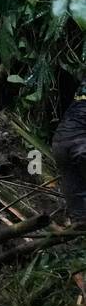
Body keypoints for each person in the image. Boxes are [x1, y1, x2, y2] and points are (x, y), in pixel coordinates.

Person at [53, 83, 86, 225]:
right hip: (81, 144)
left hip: (60, 142)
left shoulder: (82, 87)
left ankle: (79, 229)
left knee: (76, 194)